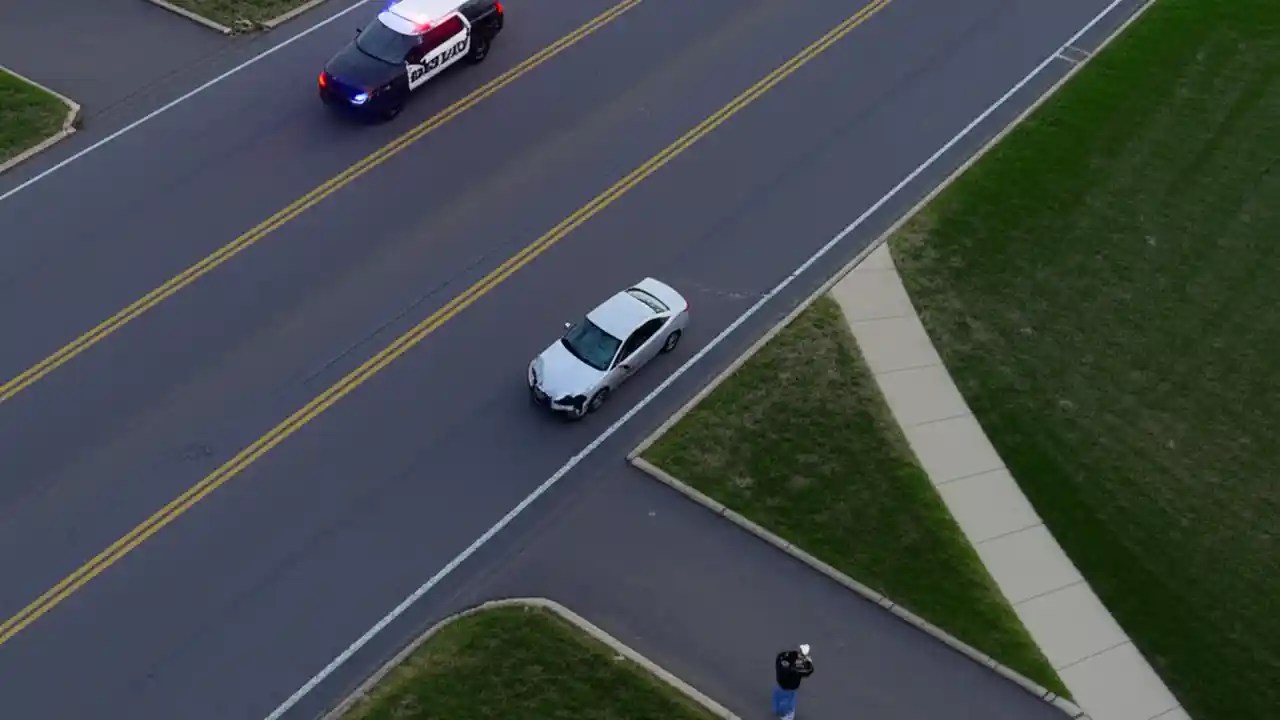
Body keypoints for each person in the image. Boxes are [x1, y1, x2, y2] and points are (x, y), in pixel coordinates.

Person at [773, 643, 814, 720]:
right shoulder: (799, 666)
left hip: (780, 684)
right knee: (788, 705)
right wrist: (809, 662)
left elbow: (779, 658)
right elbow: (809, 670)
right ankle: (787, 716)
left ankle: (777, 710)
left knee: (778, 699)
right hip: (790, 688)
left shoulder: (787, 656)